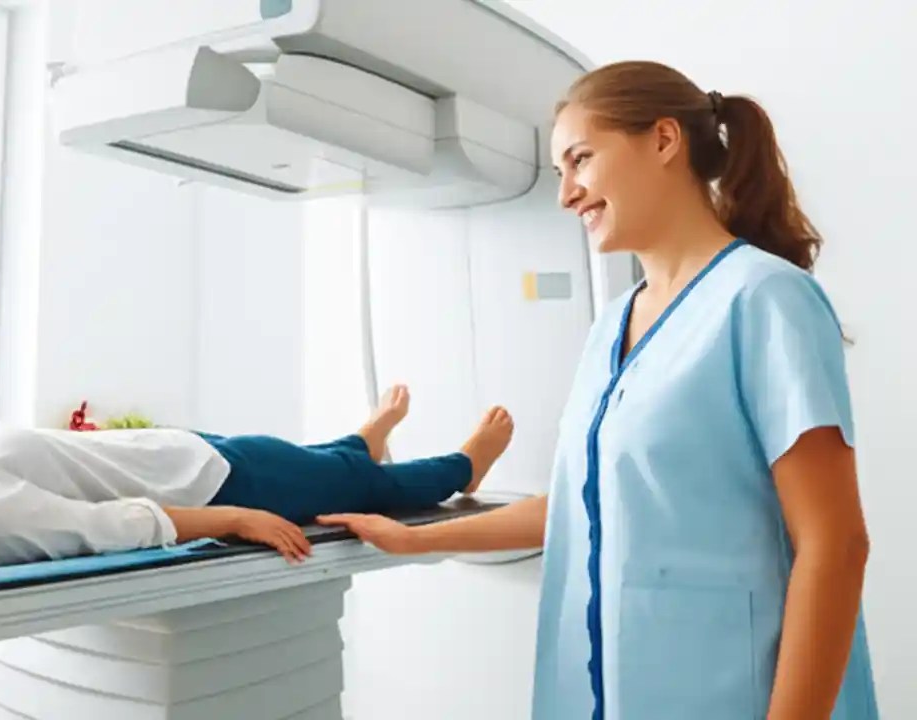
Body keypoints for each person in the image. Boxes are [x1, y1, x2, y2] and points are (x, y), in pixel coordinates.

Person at [318, 61, 878, 719]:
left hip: (735, 696)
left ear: (665, 141)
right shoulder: (613, 323)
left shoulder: (765, 298)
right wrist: (419, 538)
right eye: (560, 172)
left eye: (580, 160)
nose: (566, 194)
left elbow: (835, 544)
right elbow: (586, 503)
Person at [0, 384, 515, 582]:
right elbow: (117, 525)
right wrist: (239, 518)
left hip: (176, 445)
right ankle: (463, 462)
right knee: (352, 484)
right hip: (213, 475)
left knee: (319, 456)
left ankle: (357, 442)